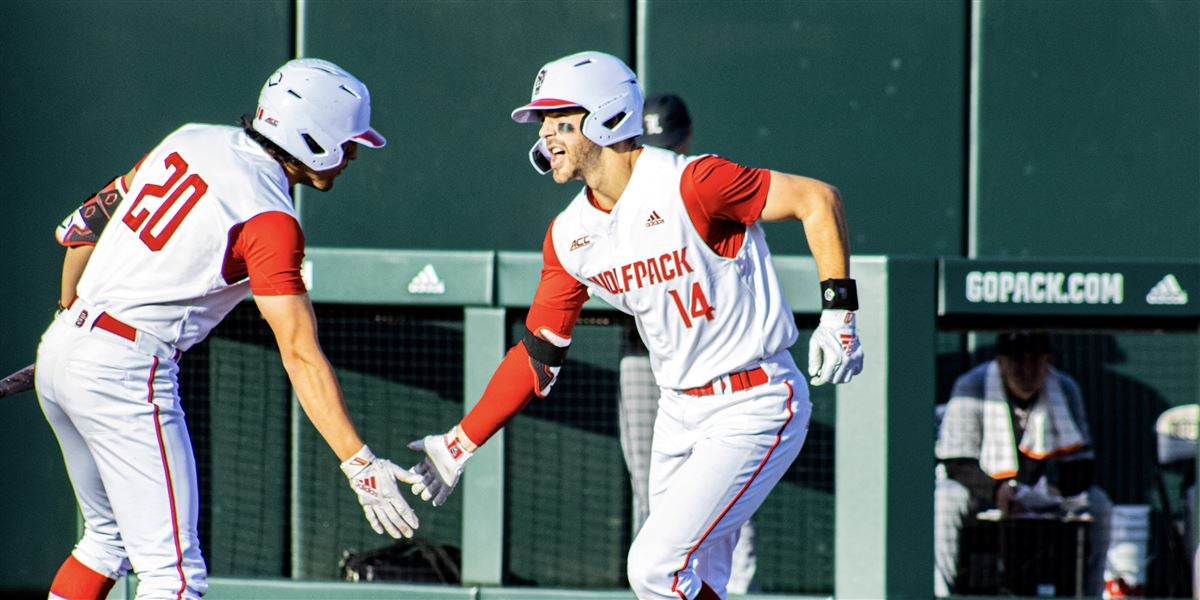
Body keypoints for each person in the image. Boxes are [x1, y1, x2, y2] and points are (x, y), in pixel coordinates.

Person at [407, 50, 864, 600]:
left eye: (561, 122)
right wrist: (459, 443)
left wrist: (839, 312)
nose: (546, 136)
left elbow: (818, 199)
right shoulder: (569, 234)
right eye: (543, 124)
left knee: (652, 569)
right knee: (677, 581)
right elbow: (536, 355)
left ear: (605, 116)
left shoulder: (693, 182)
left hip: (753, 399)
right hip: (677, 411)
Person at [34, 58, 420, 600]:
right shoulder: (269, 219)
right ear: (311, 138)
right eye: (347, 140)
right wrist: (359, 462)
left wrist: (67, 320)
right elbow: (300, 354)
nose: (353, 153)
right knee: (174, 579)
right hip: (125, 369)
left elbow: (81, 231)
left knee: (106, 542)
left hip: (66, 345)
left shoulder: (190, 138)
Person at [618, 92, 757, 595]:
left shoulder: (696, 185)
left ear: (686, 138)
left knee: (727, 492)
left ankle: (735, 589)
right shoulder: (614, 205)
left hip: (719, 368)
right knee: (651, 494)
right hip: (647, 362)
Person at [934, 331, 1112, 597]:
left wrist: (1058, 487)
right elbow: (956, 462)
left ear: (1047, 361)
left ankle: (1090, 594)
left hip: (1045, 494)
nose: (1027, 370)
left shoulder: (1064, 388)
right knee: (947, 498)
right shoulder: (972, 387)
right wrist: (997, 490)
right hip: (985, 492)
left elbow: (1083, 461)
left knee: (1099, 503)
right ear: (1001, 361)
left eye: (1035, 360)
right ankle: (941, 593)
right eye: (1018, 360)